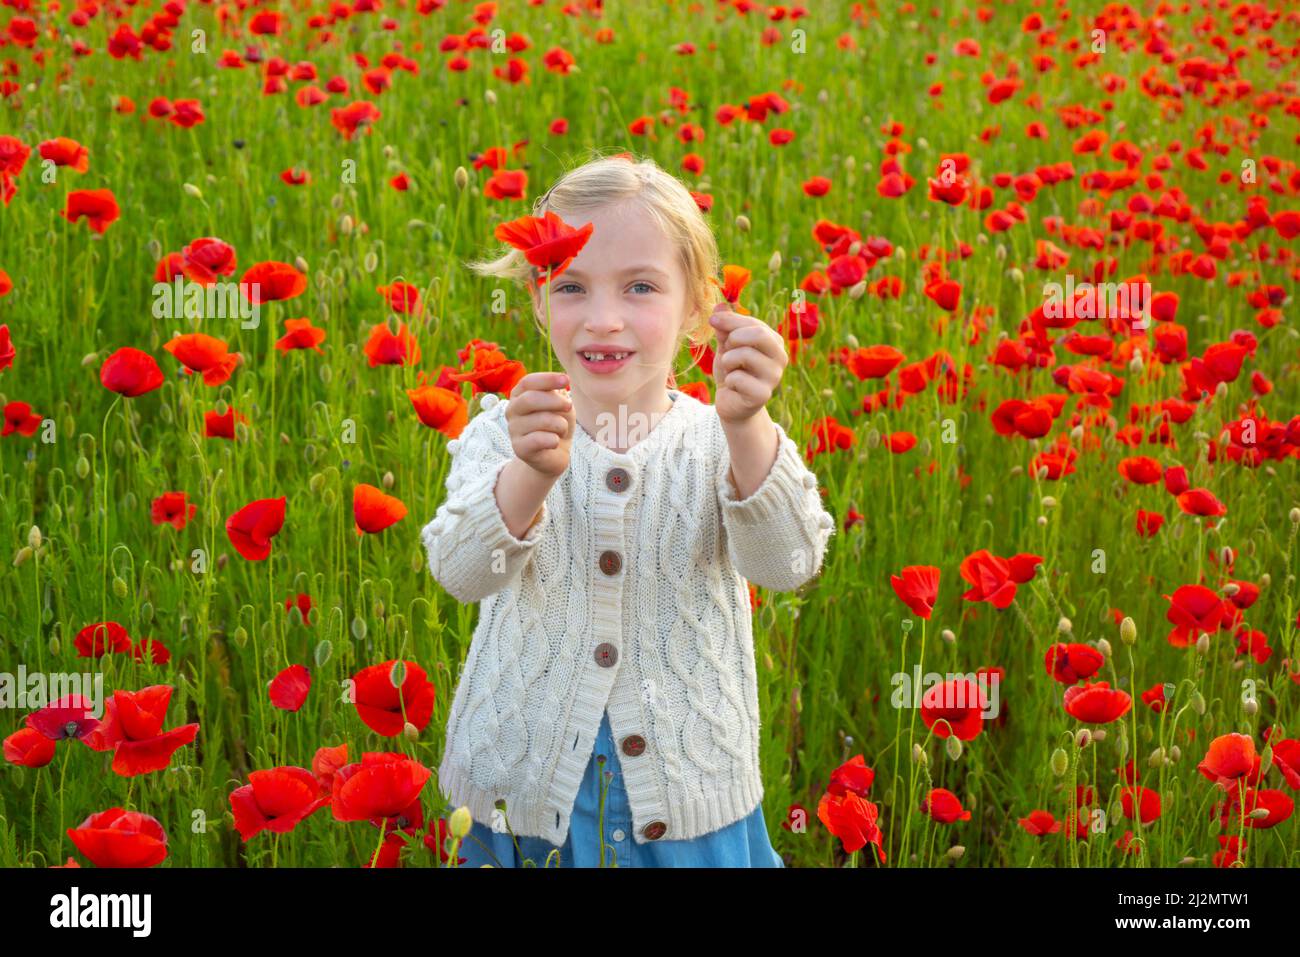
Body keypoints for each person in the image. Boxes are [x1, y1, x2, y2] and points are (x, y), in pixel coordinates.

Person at [423, 151, 836, 867]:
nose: (603, 319)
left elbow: (788, 562)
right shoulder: (502, 431)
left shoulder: (717, 440)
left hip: (685, 806)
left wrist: (748, 426)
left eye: (640, 287)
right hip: (522, 803)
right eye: (572, 286)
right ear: (536, 296)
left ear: (702, 307)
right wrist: (528, 476)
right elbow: (460, 571)